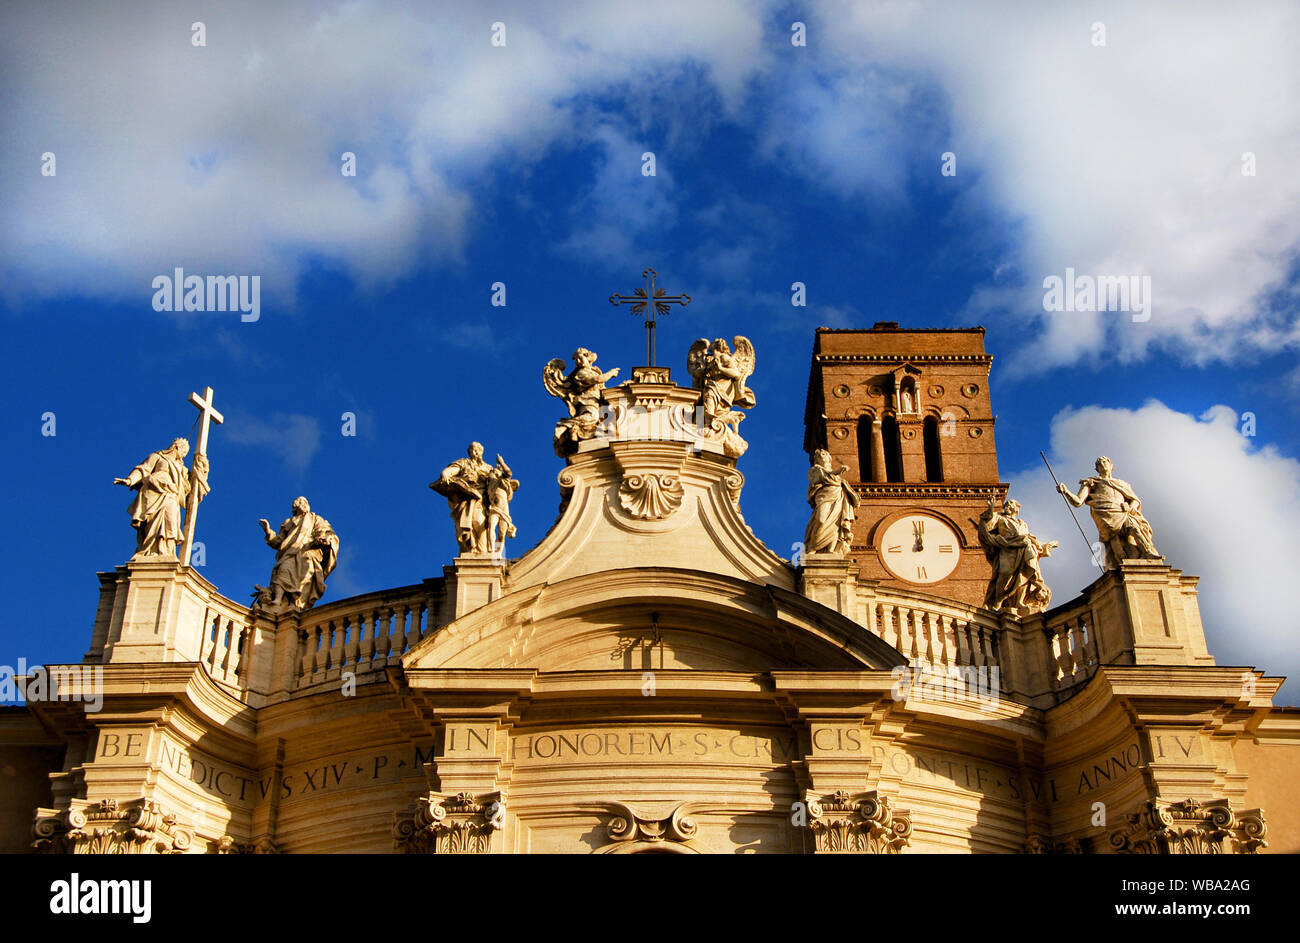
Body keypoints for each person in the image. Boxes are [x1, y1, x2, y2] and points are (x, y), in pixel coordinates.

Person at [1056, 456, 1159, 569]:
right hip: (1104, 514)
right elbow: (1078, 501)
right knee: (1115, 543)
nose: (1102, 464)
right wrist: (1066, 492)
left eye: (1105, 462)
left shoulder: (1122, 483)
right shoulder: (1091, 482)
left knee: (1134, 527)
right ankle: (1120, 561)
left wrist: (1130, 507)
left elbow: (1135, 500)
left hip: (1123, 511)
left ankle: (1149, 553)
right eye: (1099, 464)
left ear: (1111, 466)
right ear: (1097, 469)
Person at [114, 437, 208, 559]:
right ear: (177, 447)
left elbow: (192, 488)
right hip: (153, 494)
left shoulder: (182, 469)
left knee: (170, 520)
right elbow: (143, 469)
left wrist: (202, 468)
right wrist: (129, 480)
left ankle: (166, 550)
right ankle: (150, 550)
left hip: (170, 496)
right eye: (184, 452)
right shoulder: (158, 457)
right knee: (152, 523)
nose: (184, 455)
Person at [257, 497, 339, 613]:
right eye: (297, 503)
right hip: (290, 553)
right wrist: (268, 531)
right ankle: (277, 600)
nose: (300, 505)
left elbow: (327, 533)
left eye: (302, 503)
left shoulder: (315, 519)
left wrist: (325, 539)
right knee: (283, 571)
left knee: (304, 578)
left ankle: (296, 603)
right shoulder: (288, 523)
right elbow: (278, 541)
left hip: (306, 553)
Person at [976, 498, 1058, 613]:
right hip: (1008, 550)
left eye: (1010, 505)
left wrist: (1045, 546)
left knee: (1024, 574)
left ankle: (1019, 601)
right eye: (1006, 505)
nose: (1007, 507)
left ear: (1016, 508)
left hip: (1024, 548)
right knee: (1004, 575)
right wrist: (990, 508)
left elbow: (1029, 537)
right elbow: (987, 523)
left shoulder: (1022, 523)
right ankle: (998, 601)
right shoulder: (1000, 518)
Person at [430, 442, 494, 553]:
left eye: (477, 450)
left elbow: (495, 483)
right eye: (473, 450)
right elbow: (450, 471)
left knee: (481, 523)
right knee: (472, 522)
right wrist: (445, 474)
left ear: (482, 452)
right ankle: (471, 549)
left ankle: (482, 551)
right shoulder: (464, 463)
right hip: (466, 498)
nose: (475, 452)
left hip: (482, 500)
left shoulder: (488, 468)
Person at [803, 449, 860, 555]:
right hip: (823, 497)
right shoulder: (815, 470)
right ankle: (813, 547)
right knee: (821, 519)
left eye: (824, 455)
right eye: (819, 456)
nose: (821, 457)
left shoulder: (835, 476)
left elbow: (830, 476)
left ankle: (831, 549)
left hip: (837, 495)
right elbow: (824, 477)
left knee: (836, 523)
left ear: (829, 458)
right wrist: (838, 471)